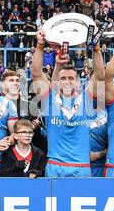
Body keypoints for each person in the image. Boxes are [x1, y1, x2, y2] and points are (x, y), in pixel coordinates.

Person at [29, 32, 102, 178]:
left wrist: (97, 50)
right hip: (56, 166)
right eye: (63, 78)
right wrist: (40, 46)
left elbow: (100, 76)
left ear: (78, 82)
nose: (67, 81)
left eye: (71, 78)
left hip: (81, 166)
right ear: (57, 82)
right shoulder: (49, 100)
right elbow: (36, 74)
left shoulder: (86, 100)